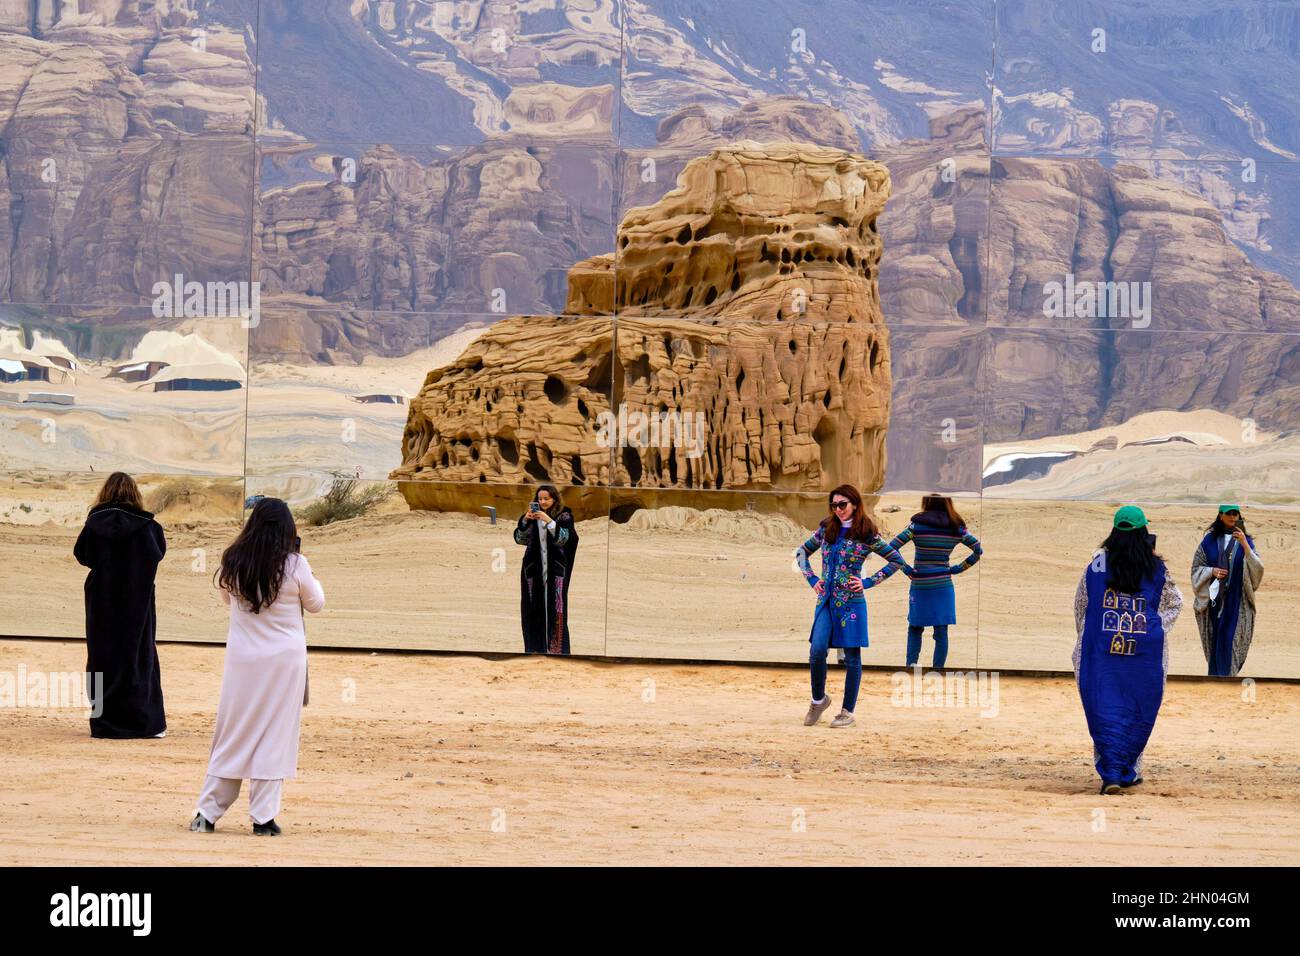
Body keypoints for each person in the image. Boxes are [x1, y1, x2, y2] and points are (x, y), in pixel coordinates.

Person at [190, 498, 324, 835]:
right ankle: (263, 819)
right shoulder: (295, 563)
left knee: (234, 732)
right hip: (284, 662)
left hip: (243, 662)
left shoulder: (233, 561)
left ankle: (207, 813)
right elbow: (317, 603)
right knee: (275, 735)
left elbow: (226, 598)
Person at [1072, 506, 1182, 795]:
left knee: (1103, 709)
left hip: (1100, 651)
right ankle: (1129, 770)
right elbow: (1175, 603)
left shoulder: (1096, 565)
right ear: (1143, 531)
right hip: (1144, 654)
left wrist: (1091, 636)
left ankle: (1110, 770)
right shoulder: (1156, 568)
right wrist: (1151, 630)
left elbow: (1081, 606)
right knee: (1138, 709)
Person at [795, 484, 911, 728]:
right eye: (834, 505)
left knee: (852, 658)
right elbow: (801, 553)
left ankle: (847, 712)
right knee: (817, 651)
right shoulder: (827, 528)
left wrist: (868, 582)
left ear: (855, 504)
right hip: (826, 601)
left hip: (852, 604)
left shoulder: (867, 533)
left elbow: (896, 560)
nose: (838, 509)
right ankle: (818, 700)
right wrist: (813, 579)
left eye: (842, 505)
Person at [73, 472, 168, 739]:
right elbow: (158, 554)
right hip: (137, 601)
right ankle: (144, 723)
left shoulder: (93, 524)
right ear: (135, 494)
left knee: (102, 657)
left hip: (101, 602)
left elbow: (83, 555)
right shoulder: (149, 527)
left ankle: (104, 723)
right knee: (138, 657)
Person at [888, 494, 982, 669]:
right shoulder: (956, 528)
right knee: (941, 632)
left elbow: (891, 548)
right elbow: (978, 549)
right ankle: (938, 670)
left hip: (920, 584)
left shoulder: (916, 526)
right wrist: (958, 568)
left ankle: (911, 667)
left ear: (927, 503)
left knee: (915, 628)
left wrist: (906, 569)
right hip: (943, 584)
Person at [1191, 505, 1264, 677]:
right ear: (1220, 516)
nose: (1232, 517)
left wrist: (1245, 545)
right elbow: (1196, 568)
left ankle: (1228, 678)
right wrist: (1212, 571)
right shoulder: (1208, 542)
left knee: (1231, 639)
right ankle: (1215, 678)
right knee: (1216, 639)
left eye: (1235, 513)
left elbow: (1258, 569)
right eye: (1228, 514)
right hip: (1214, 601)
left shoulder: (1246, 541)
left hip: (1237, 601)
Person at [514, 484, 578, 655]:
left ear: (554, 499)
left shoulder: (564, 516)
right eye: (540, 499)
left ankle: (556, 650)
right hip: (533, 571)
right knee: (533, 609)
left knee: (555, 609)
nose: (542, 502)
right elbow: (520, 539)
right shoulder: (531, 517)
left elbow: (566, 539)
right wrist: (526, 520)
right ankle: (535, 649)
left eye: (546, 499)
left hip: (555, 571)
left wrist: (549, 521)